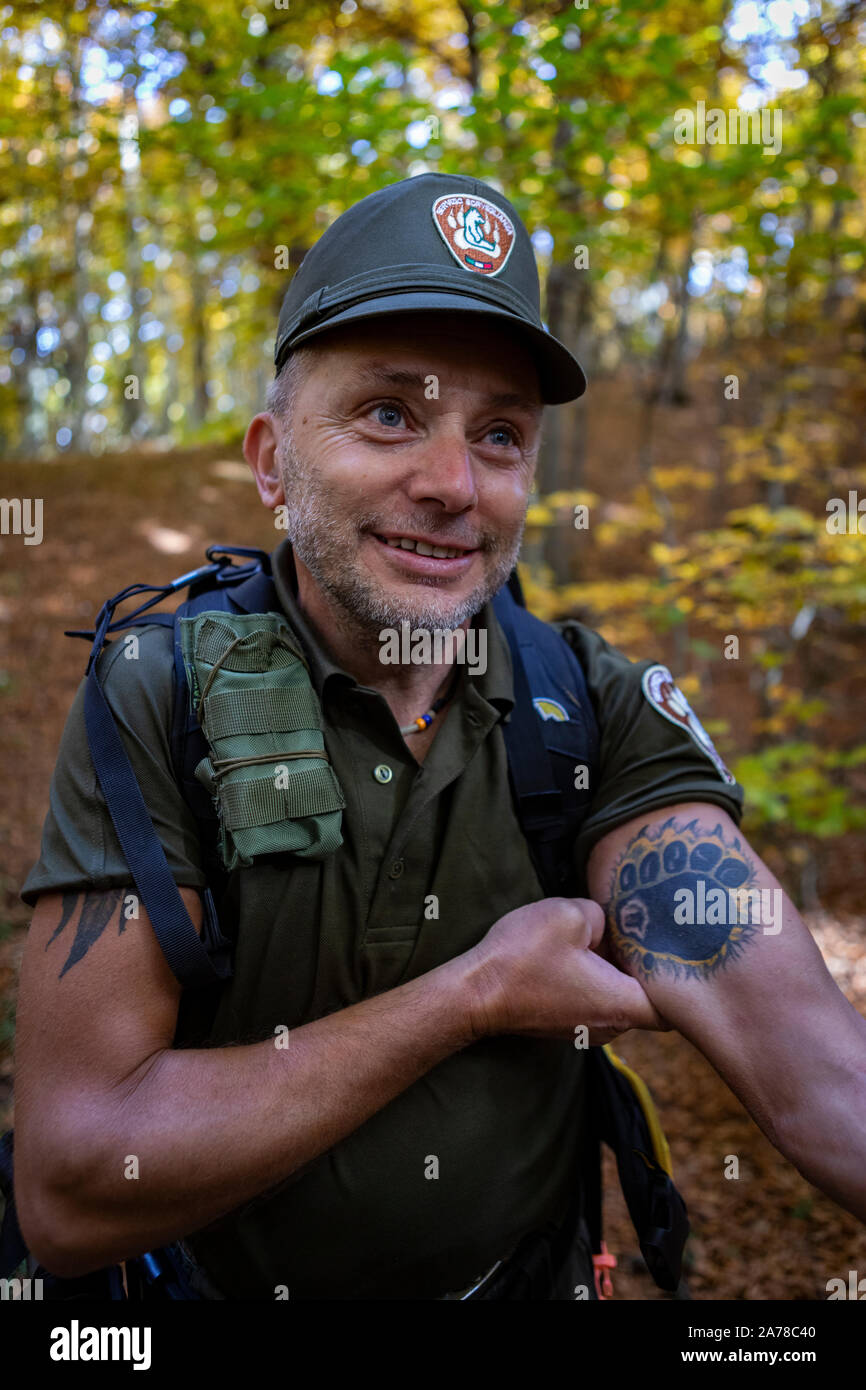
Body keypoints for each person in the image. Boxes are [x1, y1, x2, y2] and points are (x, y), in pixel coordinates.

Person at [12, 174, 866, 1301]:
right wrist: (467, 997)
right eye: (388, 415)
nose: (452, 484)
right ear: (271, 461)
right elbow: (72, 1192)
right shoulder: (158, 695)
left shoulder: (584, 702)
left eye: (500, 434)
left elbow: (820, 1081)